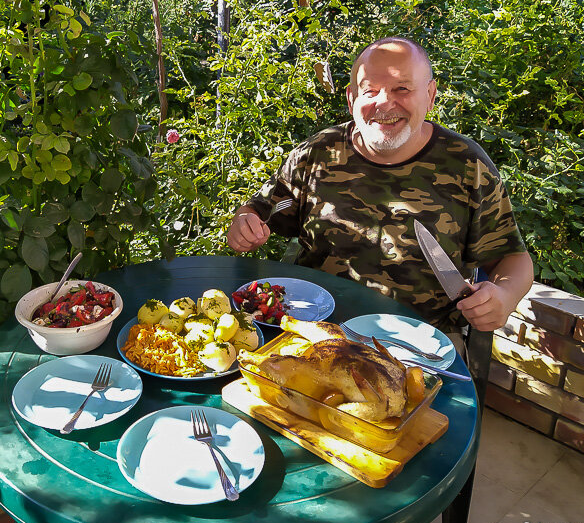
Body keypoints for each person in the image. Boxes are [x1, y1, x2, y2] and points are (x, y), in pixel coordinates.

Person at [226, 37, 533, 333]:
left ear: (431, 95)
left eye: (402, 88)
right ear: (351, 99)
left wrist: (503, 296)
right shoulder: (317, 154)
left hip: (418, 344)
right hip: (316, 333)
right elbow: (258, 211)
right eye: (370, 90)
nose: (385, 103)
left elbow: (512, 258)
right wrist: (244, 224)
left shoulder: (467, 164)